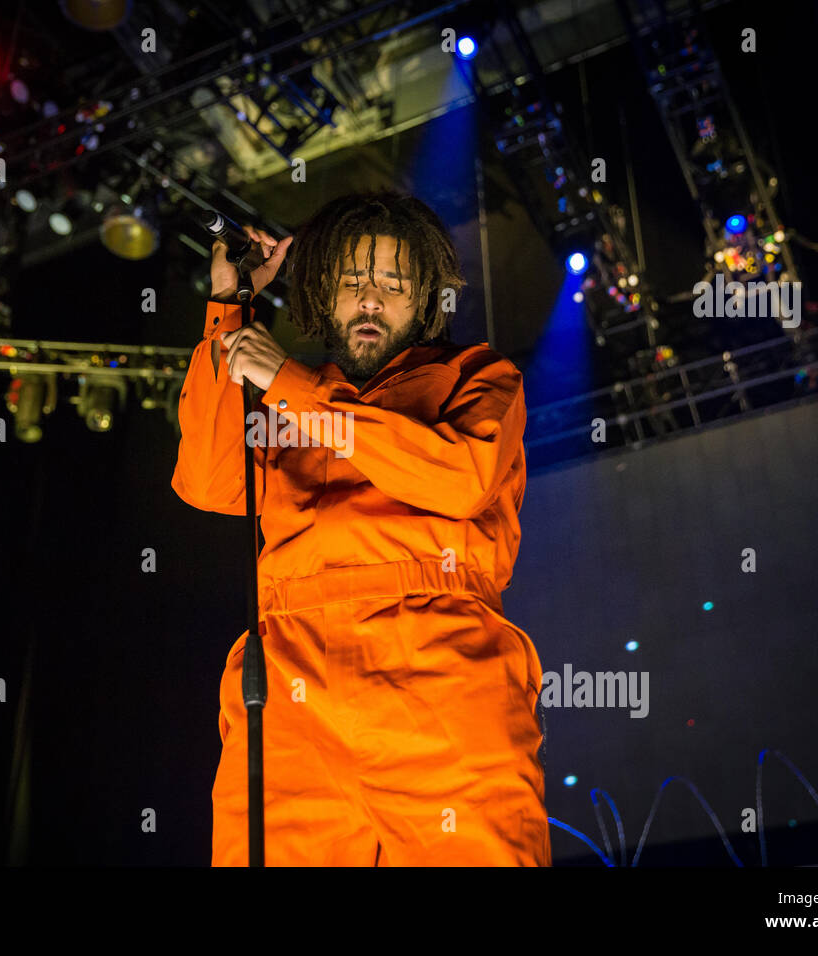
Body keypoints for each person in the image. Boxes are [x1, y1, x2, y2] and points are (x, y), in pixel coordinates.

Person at [171, 190, 549, 866]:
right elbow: (209, 483)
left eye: (392, 284)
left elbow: (458, 477)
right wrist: (229, 315)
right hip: (290, 689)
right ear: (324, 294)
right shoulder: (292, 395)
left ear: (427, 298)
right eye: (352, 282)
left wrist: (290, 384)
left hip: (440, 677)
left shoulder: (476, 377)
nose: (369, 300)